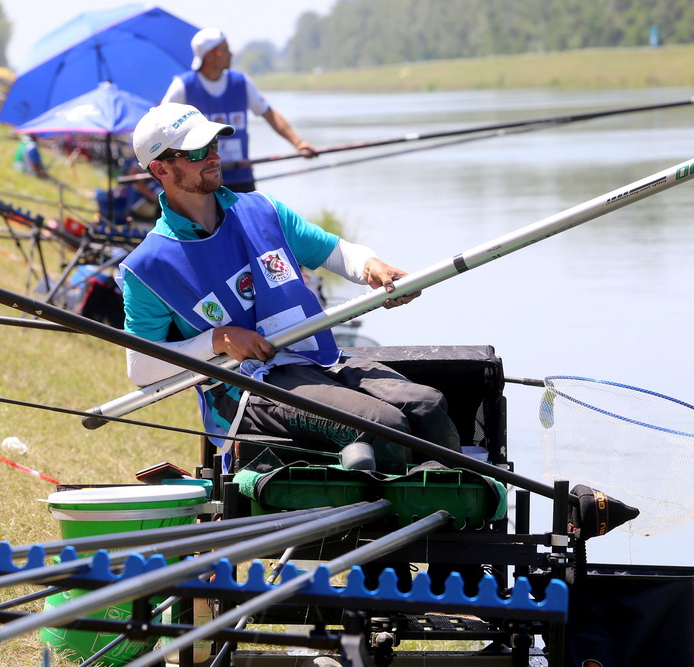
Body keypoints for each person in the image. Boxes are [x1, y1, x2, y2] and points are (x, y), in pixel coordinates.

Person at [120, 103, 459, 472]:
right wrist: (216, 341)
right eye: (198, 152)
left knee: (427, 403)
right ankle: (399, 520)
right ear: (161, 168)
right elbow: (140, 367)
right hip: (249, 388)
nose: (213, 157)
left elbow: (333, 250)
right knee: (382, 425)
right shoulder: (146, 268)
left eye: (214, 145)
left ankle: (459, 509)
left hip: (315, 356)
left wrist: (371, 267)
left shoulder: (262, 208)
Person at [161, 27, 315, 193]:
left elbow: (269, 114)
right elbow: (162, 127)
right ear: (212, 55)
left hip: (242, 176)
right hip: (203, 180)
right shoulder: (183, 86)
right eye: (225, 49)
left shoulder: (241, 82)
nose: (231, 54)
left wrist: (298, 143)